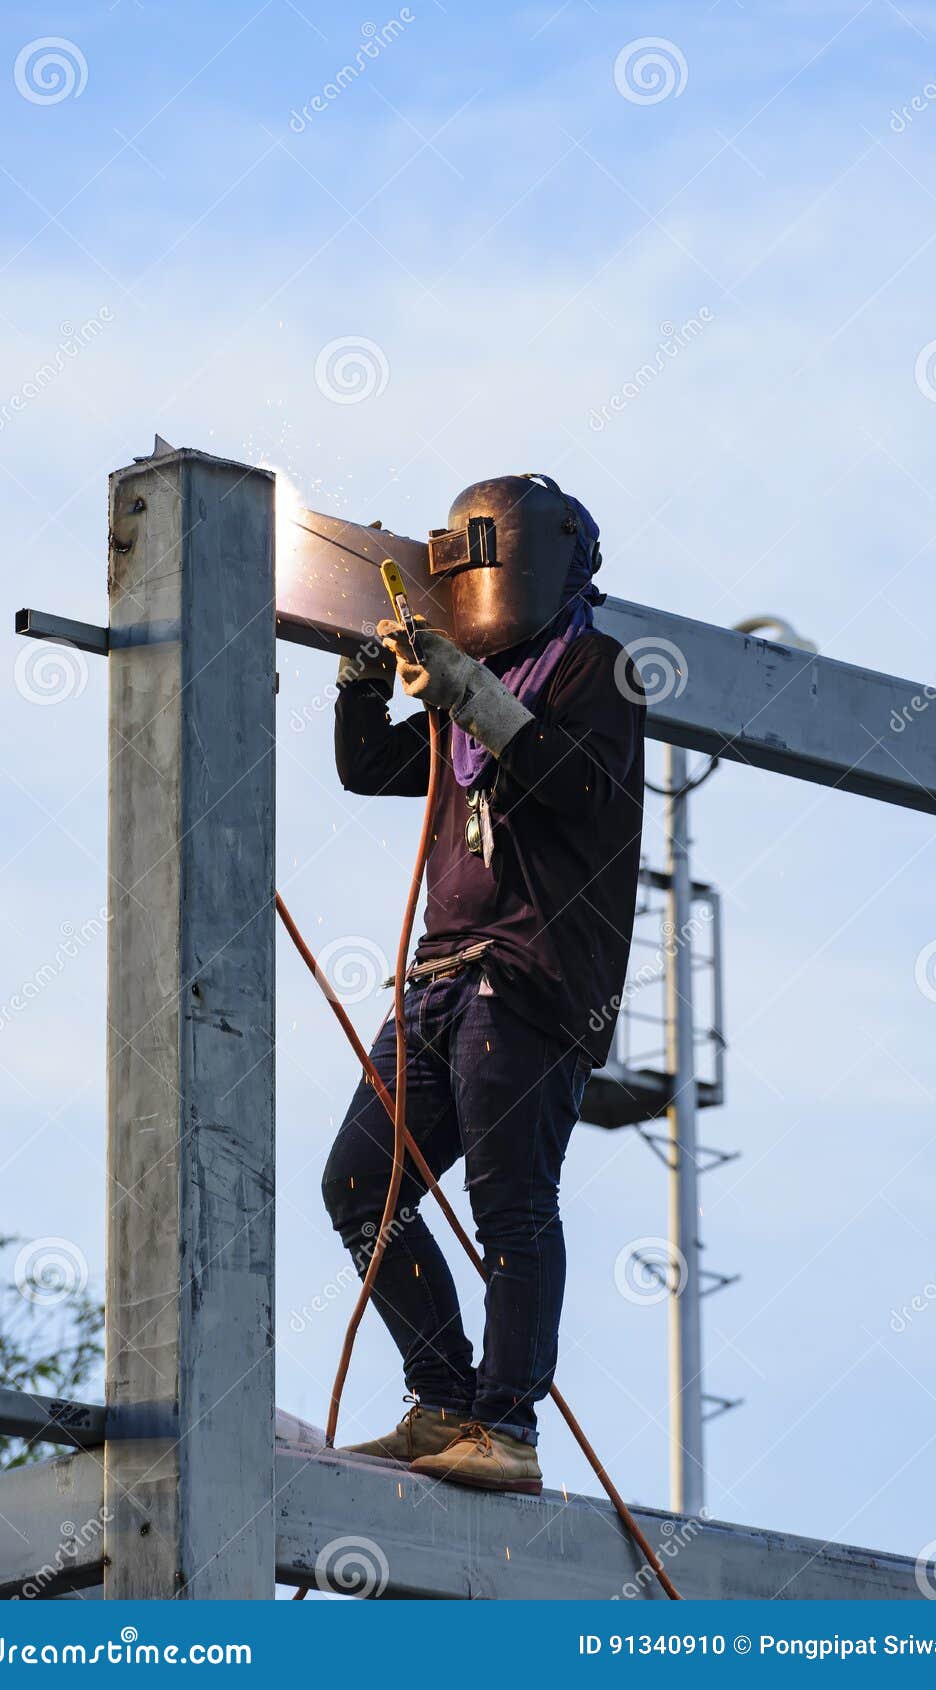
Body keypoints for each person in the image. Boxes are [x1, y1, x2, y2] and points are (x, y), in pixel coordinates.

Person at [323, 473, 646, 1495]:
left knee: (510, 1205)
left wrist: (468, 691)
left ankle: (505, 1429)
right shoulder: (471, 694)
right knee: (358, 1183)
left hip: (528, 975)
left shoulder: (595, 668)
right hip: (436, 977)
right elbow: (373, 768)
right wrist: (359, 680)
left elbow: (578, 785)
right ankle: (444, 1400)